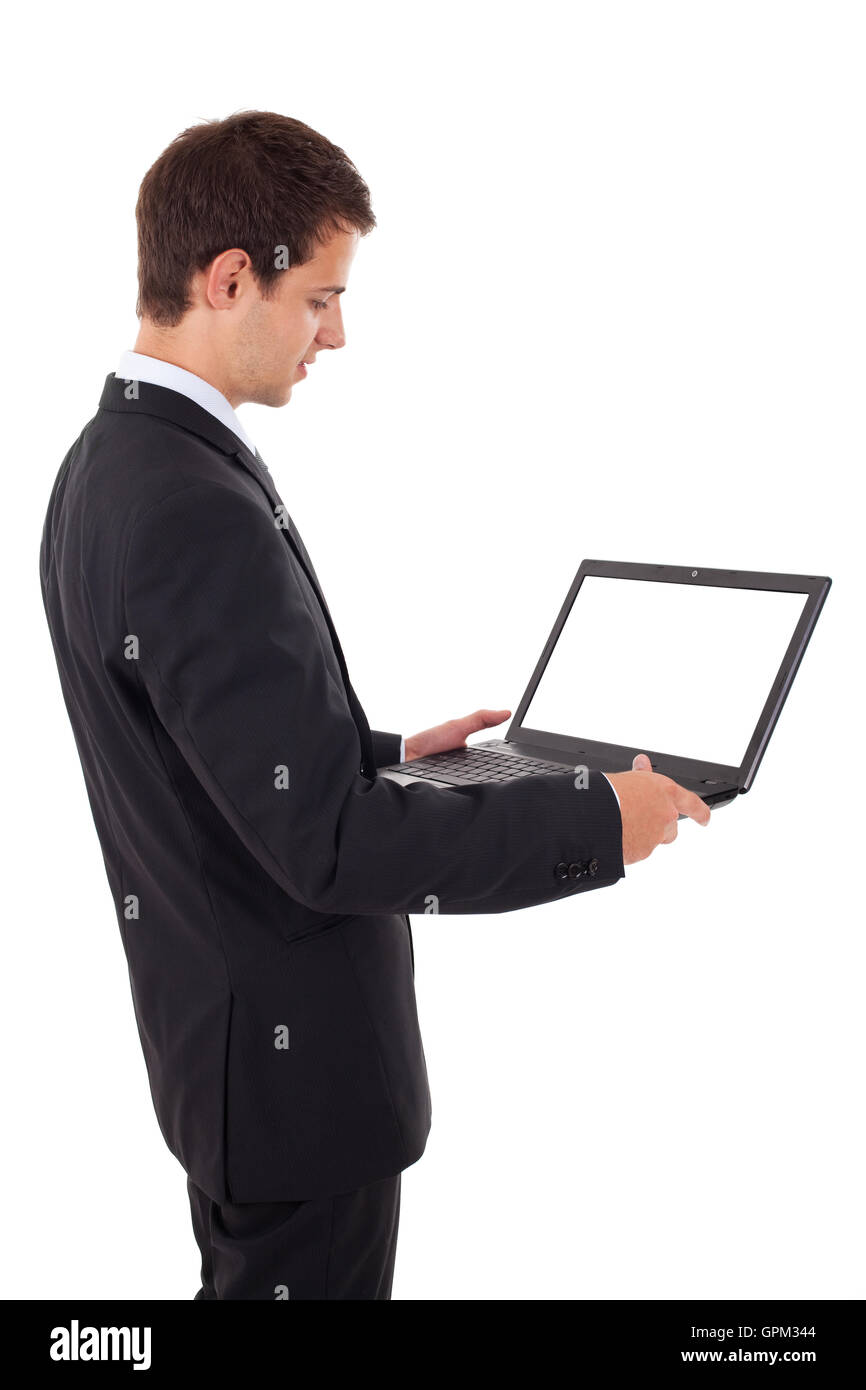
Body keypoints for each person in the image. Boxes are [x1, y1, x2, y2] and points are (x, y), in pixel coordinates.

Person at [39, 110, 710, 1300]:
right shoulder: (187, 500)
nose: (337, 334)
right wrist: (596, 822)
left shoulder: (107, 464)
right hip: (300, 1102)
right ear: (230, 276)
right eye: (319, 298)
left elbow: (210, 758)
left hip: (233, 1068)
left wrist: (386, 752)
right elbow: (328, 844)